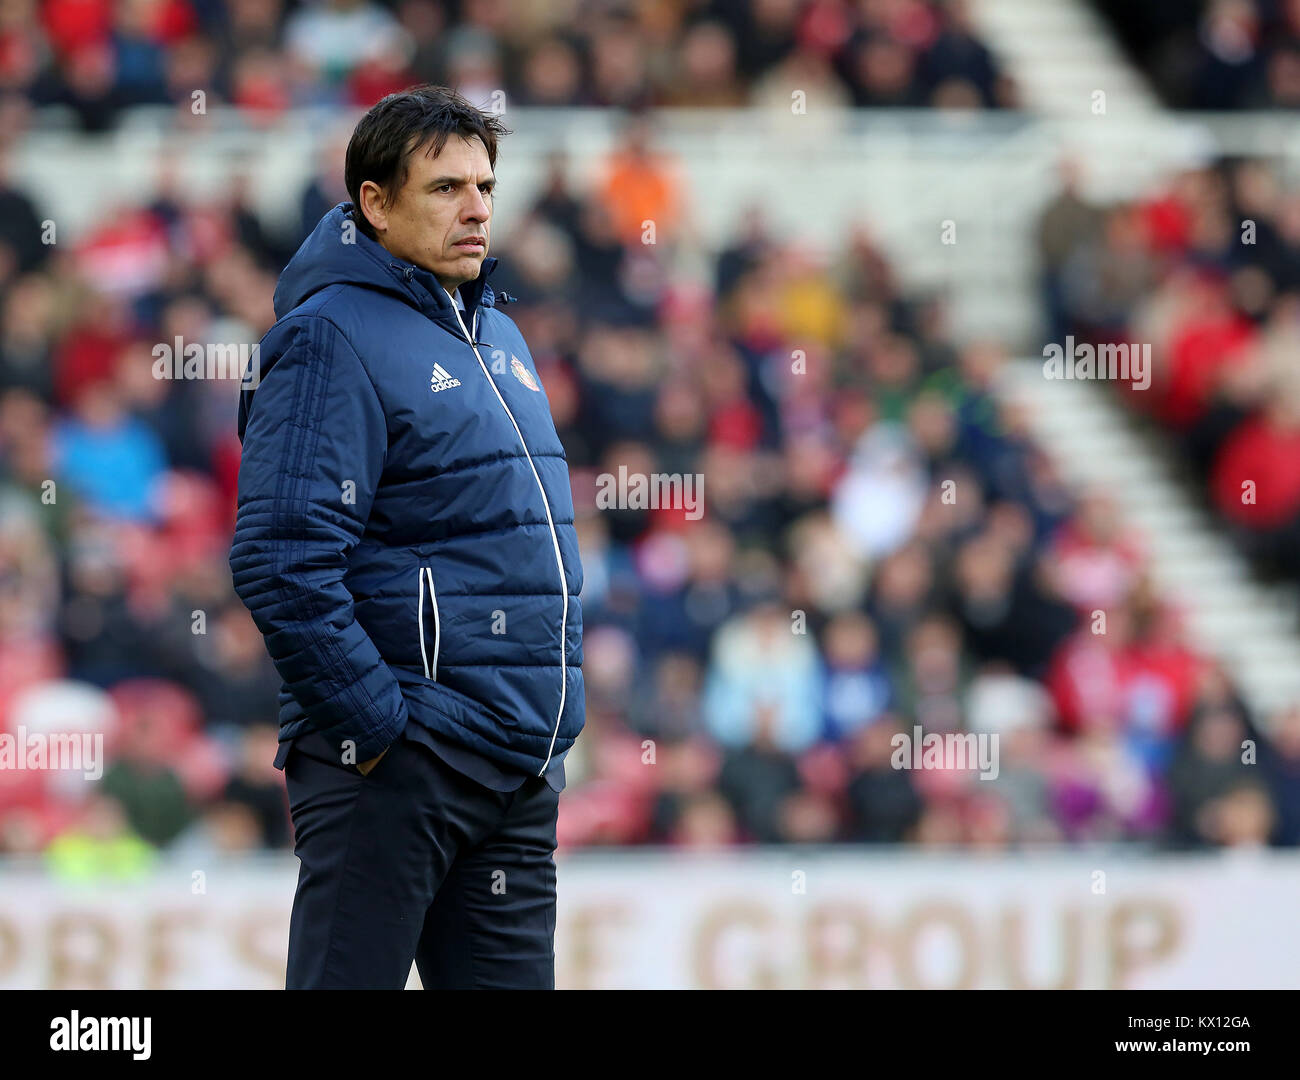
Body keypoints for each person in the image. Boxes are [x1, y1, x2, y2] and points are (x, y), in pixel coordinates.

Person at [228, 85, 585, 989]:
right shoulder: (326, 335)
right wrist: (381, 731)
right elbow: (280, 557)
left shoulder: (498, 332)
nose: (476, 208)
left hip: (512, 767)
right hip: (396, 763)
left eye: (486, 186)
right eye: (445, 188)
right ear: (374, 204)